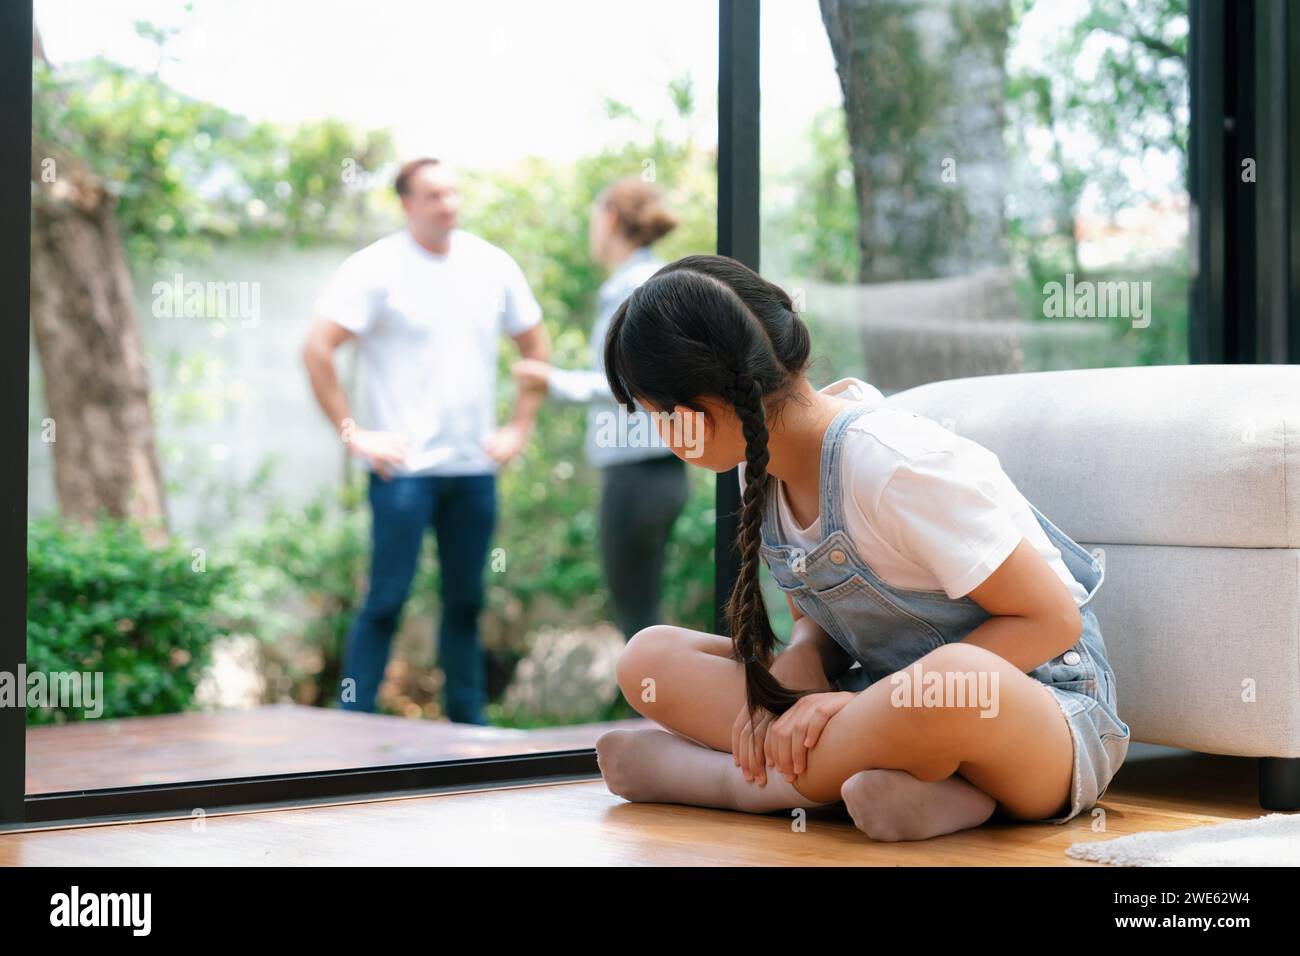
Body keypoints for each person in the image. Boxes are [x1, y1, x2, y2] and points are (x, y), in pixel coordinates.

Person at [593, 254, 1132, 842]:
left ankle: (733, 785)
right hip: (883, 706)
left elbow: (1049, 620)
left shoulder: (889, 463)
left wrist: (861, 705)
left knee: (953, 678)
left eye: (659, 415)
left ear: (707, 404)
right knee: (650, 658)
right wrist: (804, 653)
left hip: (1041, 712)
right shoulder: (762, 464)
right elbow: (824, 619)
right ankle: (938, 794)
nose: (663, 436)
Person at [302, 157, 550, 724]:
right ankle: (352, 723)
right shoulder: (375, 268)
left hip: (472, 470)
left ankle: (469, 730)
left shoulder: (492, 265)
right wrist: (353, 432)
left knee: (466, 604)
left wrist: (519, 427)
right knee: (384, 601)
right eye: (434, 195)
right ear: (407, 204)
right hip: (402, 473)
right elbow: (317, 348)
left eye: (454, 193)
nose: (449, 204)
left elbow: (535, 347)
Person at [512, 178, 688, 640]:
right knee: (642, 610)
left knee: (637, 618)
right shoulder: (649, 278)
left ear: (609, 217)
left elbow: (630, 380)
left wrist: (555, 382)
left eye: (595, 218)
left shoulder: (633, 285)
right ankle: (663, 707)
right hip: (661, 472)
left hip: (638, 476)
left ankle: (660, 710)